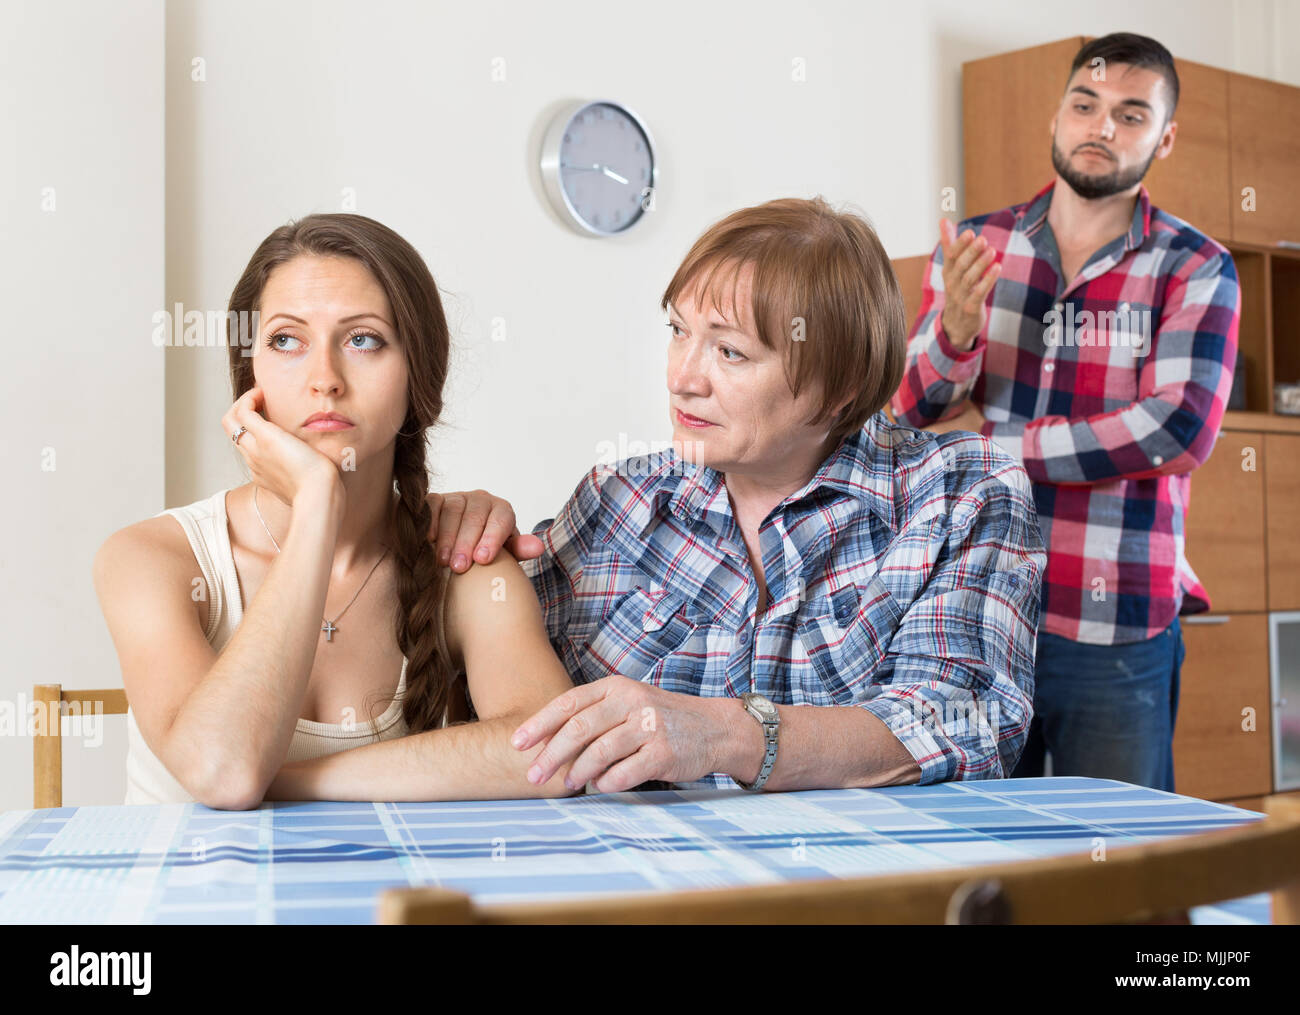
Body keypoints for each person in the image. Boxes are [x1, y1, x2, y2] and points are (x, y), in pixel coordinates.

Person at [426, 197, 1046, 794]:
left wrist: (725, 734)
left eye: (730, 352)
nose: (681, 378)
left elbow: (963, 719)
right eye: (678, 330)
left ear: (841, 388)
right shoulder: (618, 498)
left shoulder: (960, 492)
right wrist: (456, 535)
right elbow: (469, 656)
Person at [93, 214, 577, 809]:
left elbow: (555, 752)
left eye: (363, 339)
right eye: (286, 341)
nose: (325, 379)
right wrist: (316, 504)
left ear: (419, 374)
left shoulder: (461, 556)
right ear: (249, 372)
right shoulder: (150, 558)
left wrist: (290, 783)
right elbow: (222, 772)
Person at [889, 33, 1240, 792]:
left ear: (1164, 138)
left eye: (1131, 114)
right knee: (978, 850)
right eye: (1085, 104)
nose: (1101, 127)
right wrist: (955, 333)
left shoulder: (1195, 266)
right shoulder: (975, 244)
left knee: (1120, 852)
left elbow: (1176, 429)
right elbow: (911, 416)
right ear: (1057, 116)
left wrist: (992, 445)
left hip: (1115, 625)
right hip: (978, 615)